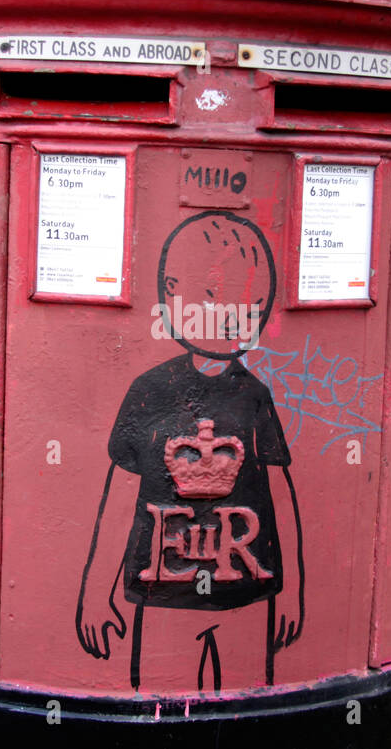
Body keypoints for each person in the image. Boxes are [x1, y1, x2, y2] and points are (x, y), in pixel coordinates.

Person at [76, 210, 304, 691]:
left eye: (249, 305)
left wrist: (292, 590)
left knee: (245, 705)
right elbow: (120, 501)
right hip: (162, 589)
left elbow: (280, 497)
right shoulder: (149, 390)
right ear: (172, 299)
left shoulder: (255, 394)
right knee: (154, 701)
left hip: (246, 588)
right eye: (212, 300)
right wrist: (97, 593)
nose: (233, 319)